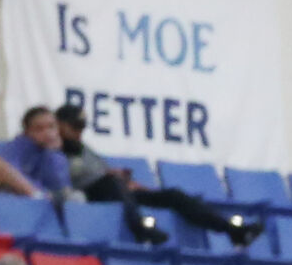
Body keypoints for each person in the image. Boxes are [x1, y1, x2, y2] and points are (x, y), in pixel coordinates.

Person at [54, 102, 263, 248]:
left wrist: (130, 184)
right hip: (89, 196)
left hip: (115, 191)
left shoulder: (83, 149)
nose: (79, 131)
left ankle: (233, 230)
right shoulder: (53, 151)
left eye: (81, 126)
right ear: (60, 125)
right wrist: (108, 176)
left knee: (174, 195)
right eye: (74, 126)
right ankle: (141, 229)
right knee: (111, 182)